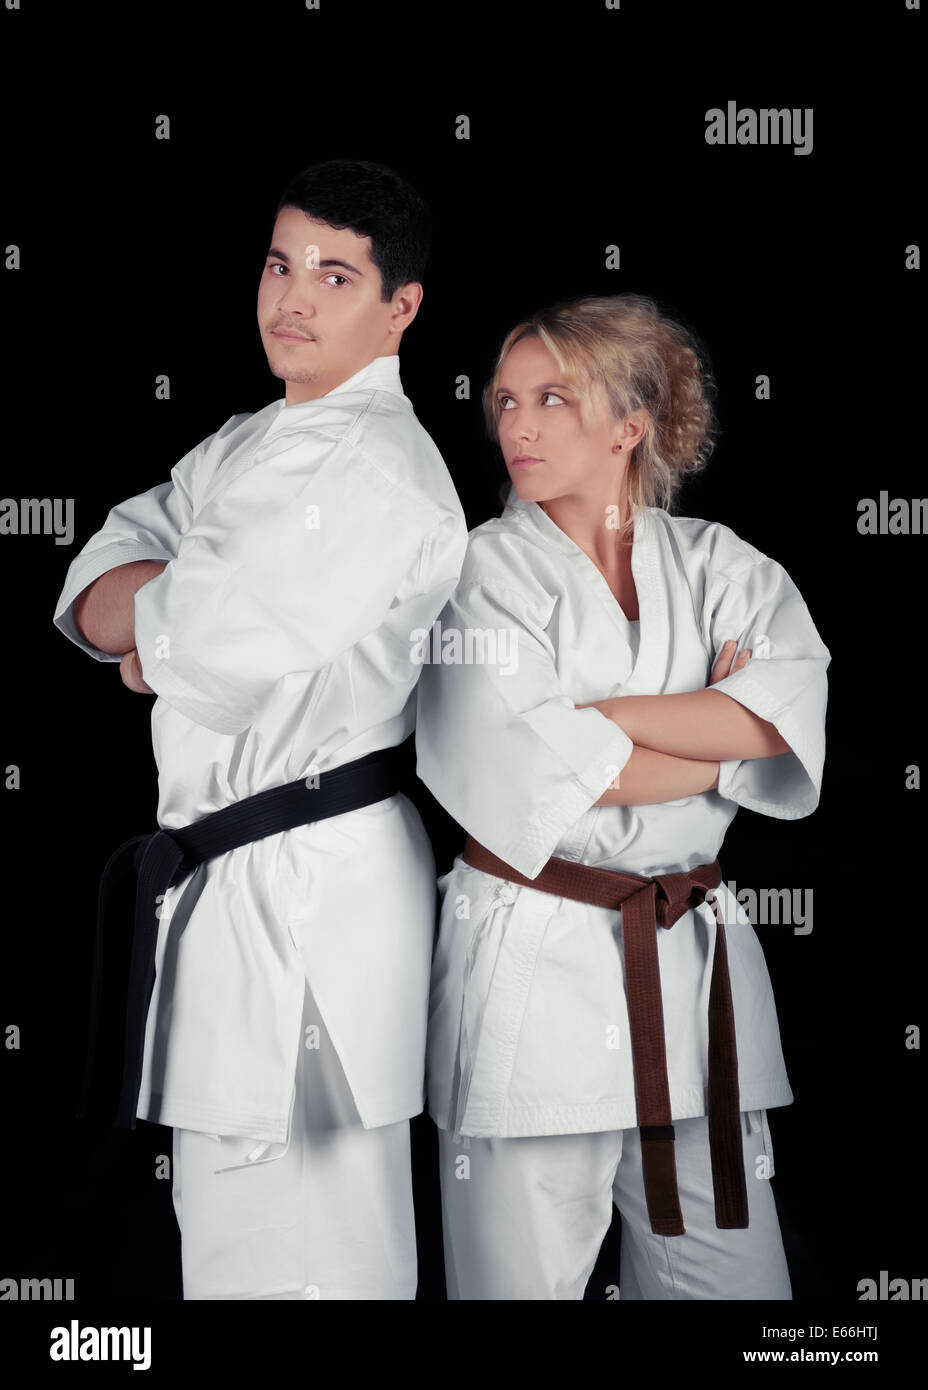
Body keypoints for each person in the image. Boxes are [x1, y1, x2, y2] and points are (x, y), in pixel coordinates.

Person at [53, 159, 467, 1300]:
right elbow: (99, 573)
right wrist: (153, 623)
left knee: (309, 1257)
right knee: (238, 1242)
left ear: (401, 306)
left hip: (305, 892)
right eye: (282, 263)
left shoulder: (375, 464)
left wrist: (165, 625)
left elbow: (206, 645)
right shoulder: (244, 441)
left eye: (335, 275)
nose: (293, 297)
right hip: (238, 882)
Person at [415, 293, 830, 1300]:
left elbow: (783, 718)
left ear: (631, 421)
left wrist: (596, 716)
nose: (515, 424)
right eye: (504, 399)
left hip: (694, 984)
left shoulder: (720, 564)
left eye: (552, 397)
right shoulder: (475, 575)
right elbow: (529, 771)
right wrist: (711, 726)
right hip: (531, 972)